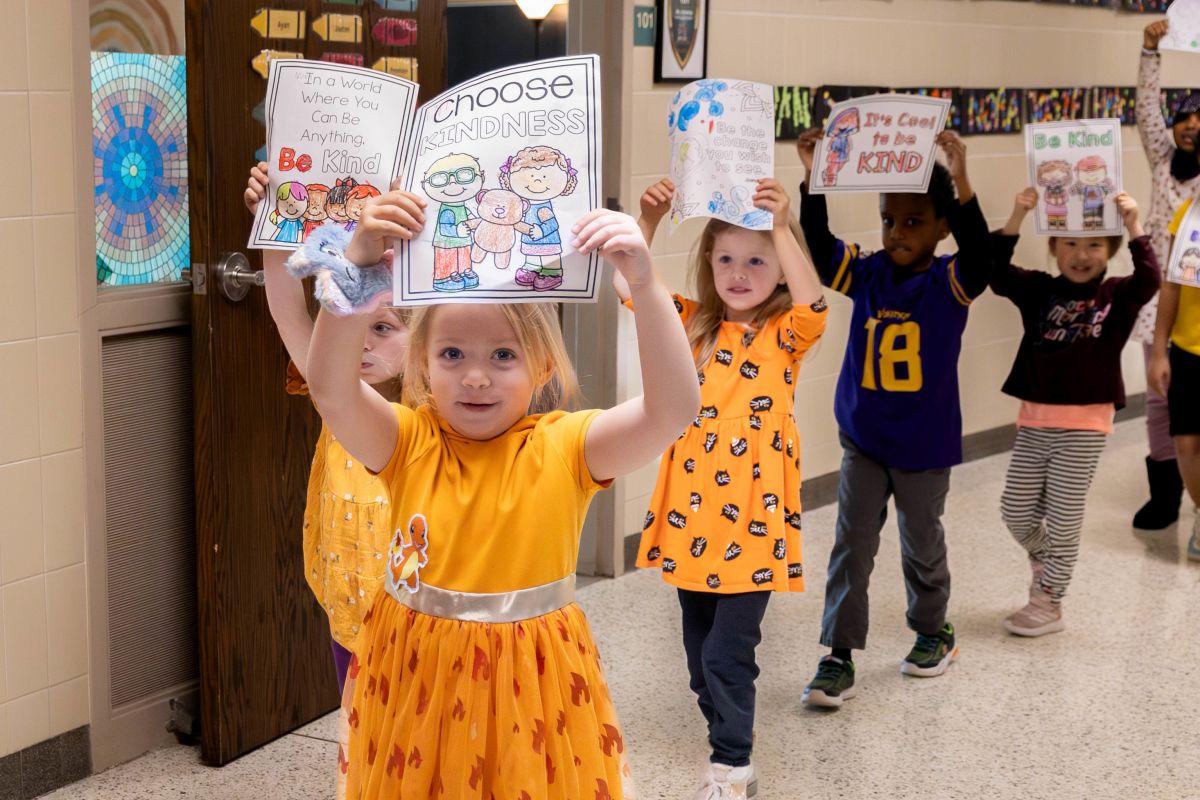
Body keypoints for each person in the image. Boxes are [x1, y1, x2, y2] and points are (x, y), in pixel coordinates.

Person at [301, 188, 701, 799]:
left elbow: (673, 410)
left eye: (504, 355)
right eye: (453, 354)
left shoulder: (567, 447)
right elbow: (330, 390)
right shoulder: (408, 442)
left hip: (533, 681)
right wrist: (355, 269)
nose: (477, 375)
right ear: (422, 367)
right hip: (417, 675)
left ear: (542, 367)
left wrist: (645, 288)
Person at [619, 177, 827, 799]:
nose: (741, 273)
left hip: (753, 526)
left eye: (758, 261)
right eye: (727, 259)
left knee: (725, 655)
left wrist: (784, 224)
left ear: (780, 270)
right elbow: (631, 285)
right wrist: (647, 220)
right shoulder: (691, 323)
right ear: (709, 263)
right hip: (692, 518)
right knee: (698, 660)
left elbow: (815, 303)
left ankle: (732, 764)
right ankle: (730, 728)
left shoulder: (785, 334)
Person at [794, 129, 990, 708]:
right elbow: (821, 246)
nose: (897, 234)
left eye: (913, 222)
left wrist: (961, 176)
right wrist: (813, 174)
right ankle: (837, 655)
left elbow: (982, 254)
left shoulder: (949, 281)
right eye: (889, 221)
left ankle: (934, 631)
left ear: (940, 227)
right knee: (850, 544)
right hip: (864, 438)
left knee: (920, 543)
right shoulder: (870, 271)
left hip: (923, 447)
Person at [245, 163, 408, 693]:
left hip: (422, 625)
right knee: (361, 743)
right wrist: (274, 228)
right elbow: (290, 315)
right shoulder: (336, 390)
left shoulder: (436, 412)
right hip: (349, 614)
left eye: (381, 328)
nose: (360, 342)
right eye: (352, 324)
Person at [993, 187, 1159, 636]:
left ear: (1110, 251)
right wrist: (1017, 213)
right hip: (1034, 421)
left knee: (1064, 517)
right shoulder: (1040, 291)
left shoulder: (1116, 295)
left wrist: (1134, 224)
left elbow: (1150, 280)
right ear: (1053, 246)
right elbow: (994, 273)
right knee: (1015, 509)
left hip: (1084, 427)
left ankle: (1048, 601)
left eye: (1093, 245)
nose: (1081, 254)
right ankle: (1047, 562)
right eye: (1069, 243)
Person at [1131, 19, 1200, 530]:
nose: (1191, 126)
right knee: (1159, 401)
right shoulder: (1161, 159)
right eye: (1185, 118)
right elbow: (1146, 110)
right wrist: (1150, 50)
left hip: (1197, 310)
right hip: (1159, 299)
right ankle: (1166, 494)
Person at [1150, 197, 1200, 562]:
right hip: (1187, 350)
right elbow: (1170, 285)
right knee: (1186, 445)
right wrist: (1159, 350)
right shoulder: (1190, 213)